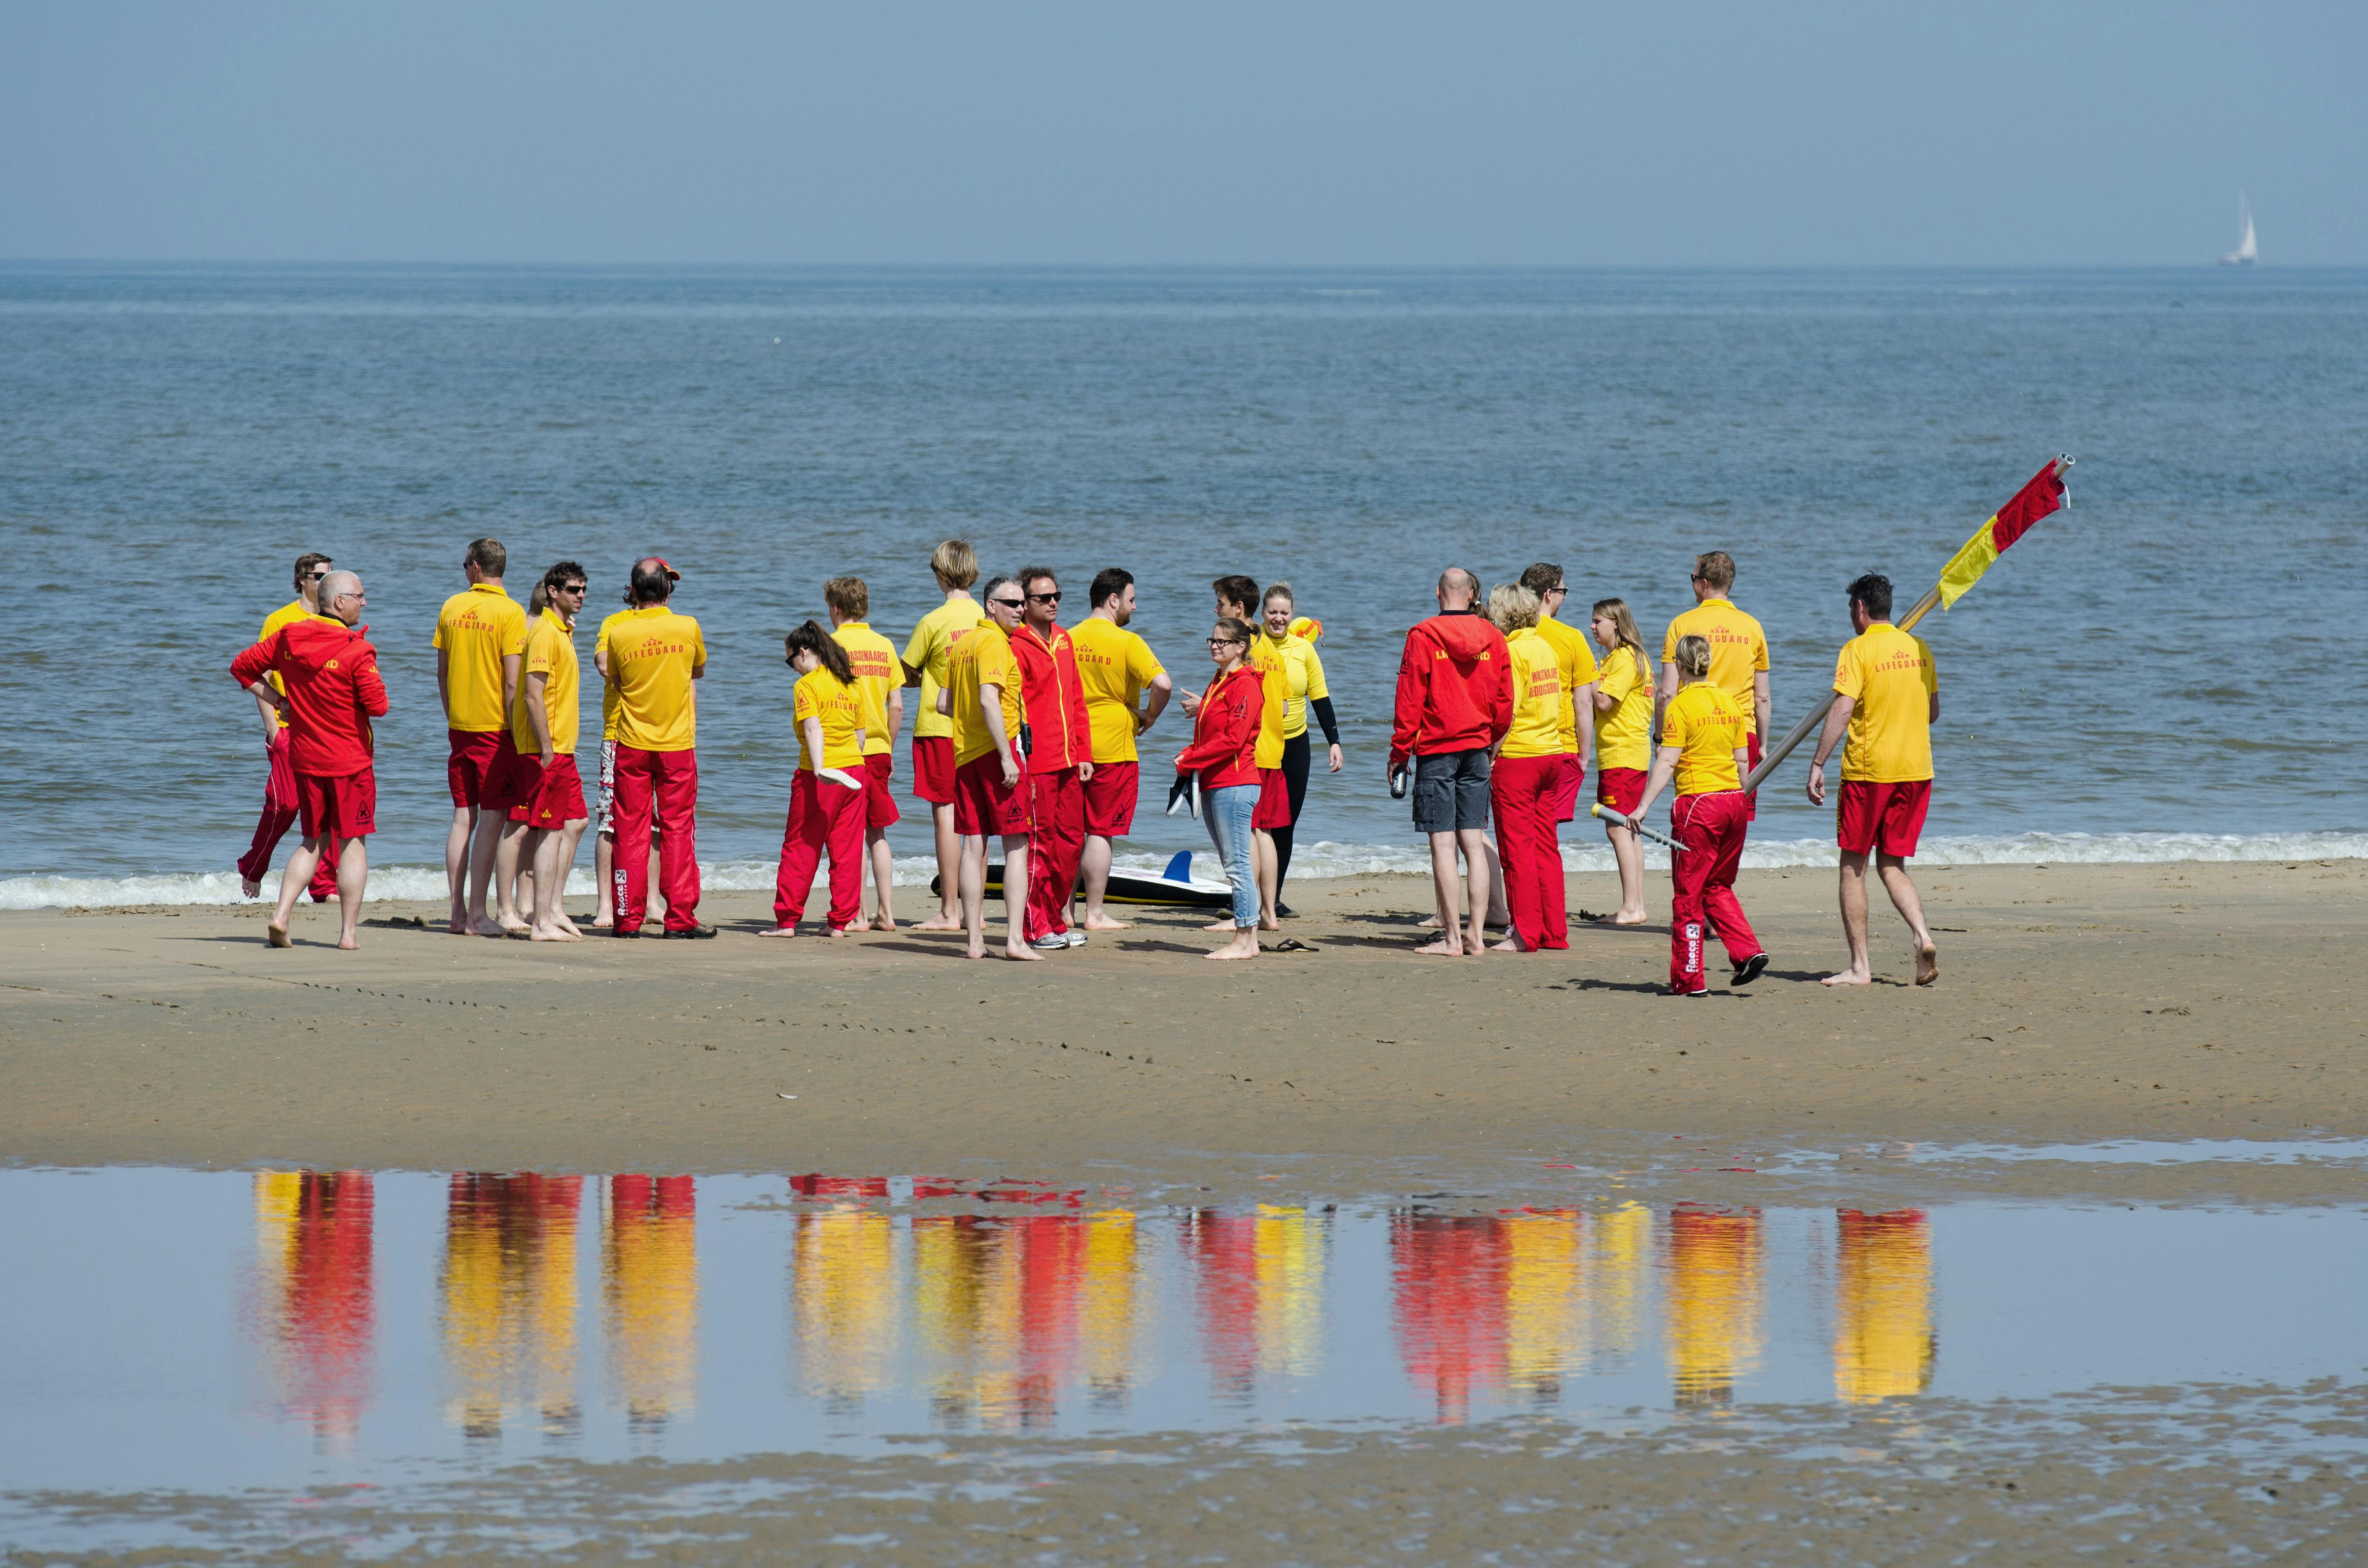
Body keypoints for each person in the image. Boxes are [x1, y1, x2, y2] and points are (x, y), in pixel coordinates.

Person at [230, 570, 387, 950]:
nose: (364, 602)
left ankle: (282, 915)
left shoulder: (289, 635)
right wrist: (282, 700)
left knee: (311, 841)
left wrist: (280, 700)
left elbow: (241, 668)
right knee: (352, 843)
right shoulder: (357, 648)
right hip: (350, 761)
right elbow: (380, 706)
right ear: (339, 602)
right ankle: (348, 934)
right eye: (359, 596)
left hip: (306, 757)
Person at [1807, 572, 1942, 987]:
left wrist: (1818, 762)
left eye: (1851, 609)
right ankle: (1922, 935)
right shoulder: (1919, 647)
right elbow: (1933, 712)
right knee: (1892, 864)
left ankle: (1861, 967)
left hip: (1871, 772)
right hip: (1916, 770)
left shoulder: (1857, 649)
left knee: (1853, 866)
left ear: (1861, 609)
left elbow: (1843, 709)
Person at [1627, 633, 1769, 996]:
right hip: (1735, 801)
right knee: (1717, 885)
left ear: (1679, 664)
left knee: (1688, 894)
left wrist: (1642, 807)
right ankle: (1748, 951)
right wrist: (1738, 797)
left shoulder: (1680, 706)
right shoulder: (1729, 703)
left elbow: (1667, 760)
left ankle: (1690, 978)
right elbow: (1742, 762)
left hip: (1699, 805)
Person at [1389, 567, 1513, 958]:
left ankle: (1453, 939)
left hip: (1438, 751)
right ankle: (1476, 936)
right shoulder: (1494, 636)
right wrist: (1492, 739)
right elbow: (1506, 702)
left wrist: (1398, 754)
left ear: (1439, 593)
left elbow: (1409, 702)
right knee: (1473, 844)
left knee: (1444, 845)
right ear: (1472, 594)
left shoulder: (1423, 635)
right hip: (1476, 748)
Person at [605, 557, 711, 938]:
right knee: (678, 829)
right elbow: (697, 670)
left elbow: (616, 679)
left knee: (629, 831)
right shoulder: (687, 627)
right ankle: (679, 918)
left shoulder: (619, 633)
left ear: (633, 591)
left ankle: (627, 918)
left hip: (632, 743)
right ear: (667, 589)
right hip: (676, 744)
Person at [434, 538, 529, 937]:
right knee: (492, 819)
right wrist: (518, 732)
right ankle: (476, 913)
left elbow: (442, 672)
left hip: (460, 725)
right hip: (496, 729)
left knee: (462, 819)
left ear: (475, 567)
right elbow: (512, 682)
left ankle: (458, 913)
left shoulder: (452, 606)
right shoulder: (511, 612)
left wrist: (453, 714)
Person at [1068, 568, 1172, 930]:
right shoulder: (1128, 641)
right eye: (1131, 599)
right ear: (1113, 600)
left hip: (1071, 743)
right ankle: (1093, 913)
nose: (1135, 607)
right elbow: (1163, 683)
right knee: (1099, 830)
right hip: (1113, 744)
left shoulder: (1065, 637)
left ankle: (1063, 913)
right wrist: (1151, 716)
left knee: (1069, 830)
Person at [237, 552, 341, 905]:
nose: (326, 582)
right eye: (319, 576)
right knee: (285, 804)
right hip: (287, 728)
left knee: (329, 808)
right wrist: (273, 728)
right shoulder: (280, 620)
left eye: (331, 576)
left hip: (326, 732)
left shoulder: (336, 620)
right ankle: (254, 865)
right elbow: (257, 675)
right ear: (302, 579)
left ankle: (323, 887)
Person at [942, 575, 1035, 961]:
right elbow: (987, 699)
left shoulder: (963, 642)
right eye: (1011, 602)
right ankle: (1014, 940)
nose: (1020, 609)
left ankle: (975, 942)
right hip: (997, 751)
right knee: (1017, 844)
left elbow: (944, 704)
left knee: (973, 843)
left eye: (1022, 602)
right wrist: (1005, 755)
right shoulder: (995, 642)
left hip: (964, 753)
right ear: (990, 606)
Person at [1005, 568, 1095, 951]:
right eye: (1044, 598)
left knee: (1071, 843)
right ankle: (1034, 926)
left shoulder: (1064, 639)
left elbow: (1076, 699)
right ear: (1026, 605)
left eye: (1057, 595)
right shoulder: (1016, 643)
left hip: (1070, 760)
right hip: (1037, 761)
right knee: (1040, 846)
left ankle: (1055, 920)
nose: (1054, 602)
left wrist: (1085, 751)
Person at [761, 621, 870, 939]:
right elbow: (861, 736)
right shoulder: (851, 682)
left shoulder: (807, 686)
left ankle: (787, 921)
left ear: (805, 652)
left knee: (802, 846)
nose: (792, 667)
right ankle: (839, 923)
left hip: (819, 775)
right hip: (854, 771)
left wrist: (821, 767)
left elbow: (812, 728)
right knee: (847, 850)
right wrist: (849, 763)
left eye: (791, 659)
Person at [901, 541, 984, 932]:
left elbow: (907, 672)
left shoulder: (933, 621)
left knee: (947, 818)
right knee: (979, 821)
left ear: (939, 574)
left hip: (938, 728)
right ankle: (977, 913)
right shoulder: (990, 617)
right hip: (982, 730)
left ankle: (950, 910)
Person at [1173, 615, 1266, 960]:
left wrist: (1191, 758)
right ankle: (1249, 939)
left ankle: (1244, 939)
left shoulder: (1245, 684)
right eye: (1211, 640)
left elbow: (1233, 739)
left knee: (1237, 864)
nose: (1214, 646)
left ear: (1241, 647)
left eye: (1222, 642)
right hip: (1216, 782)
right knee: (1233, 862)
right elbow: (1213, 732)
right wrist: (1190, 753)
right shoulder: (1220, 679)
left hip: (1237, 783)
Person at [507, 563, 591, 943]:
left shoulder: (563, 631)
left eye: (584, 589)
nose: (581, 595)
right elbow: (531, 694)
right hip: (547, 749)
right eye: (574, 589)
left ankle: (553, 907)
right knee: (550, 829)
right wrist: (545, 749)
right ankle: (540, 920)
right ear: (553, 592)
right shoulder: (543, 632)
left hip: (563, 747)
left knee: (576, 823)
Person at [1485, 584, 1569, 952]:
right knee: (1546, 848)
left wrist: (1489, 755)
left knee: (1516, 850)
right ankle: (1554, 932)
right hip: (1552, 755)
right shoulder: (1545, 647)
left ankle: (1524, 934)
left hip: (1520, 759)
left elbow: (1507, 712)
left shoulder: (1513, 650)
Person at [1659, 551, 1770, 817]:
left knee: (1695, 814)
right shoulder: (1753, 627)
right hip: (1742, 731)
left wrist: (1661, 738)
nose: (1693, 584)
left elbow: (1666, 693)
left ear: (1705, 584)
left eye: (1693, 578)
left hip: (1696, 731)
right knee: (1736, 819)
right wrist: (1763, 745)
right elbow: (1762, 697)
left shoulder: (1682, 624)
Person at [825, 577, 906, 931]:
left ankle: (857, 913)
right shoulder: (885, 645)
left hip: (846, 751)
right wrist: (887, 745)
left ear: (836, 608)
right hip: (879, 749)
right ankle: (886, 912)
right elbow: (898, 706)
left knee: (850, 835)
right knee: (878, 834)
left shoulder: (831, 645)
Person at [1257, 584, 1342, 916]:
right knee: (1255, 823)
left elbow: (1319, 696)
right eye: (1272, 612)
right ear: (1262, 613)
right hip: (1261, 743)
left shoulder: (1304, 649)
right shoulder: (1253, 645)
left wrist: (1334, 741)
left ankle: (1273, 897)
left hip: (1295, 744)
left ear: (1292, 615)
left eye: (1284, 613)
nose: (1278, 618)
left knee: (1285, 823)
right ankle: (1251, 893)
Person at [591, 584, 662, 930]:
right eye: (664, 582)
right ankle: (607, 903)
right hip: (619, 733)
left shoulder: (672, 625)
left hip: (665, 737)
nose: (668, 590)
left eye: (671, 583)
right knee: (610, 821)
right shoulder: (615, 623)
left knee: (657, 823)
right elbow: (604, 664)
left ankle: (650, 901)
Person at [1588, 597, 1656, 925]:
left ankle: (1632, 906)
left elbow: (1602, 701)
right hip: (1627, 752)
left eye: (1597, 621)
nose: (1592, 627)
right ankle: (1636, 904)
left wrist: (1585, 673)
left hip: (1622, 752)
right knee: (1628, 829)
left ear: (1616, 622)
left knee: (1618, 828)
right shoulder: (1624, 656)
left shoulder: (1626, 658)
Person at [1519, 563, 1600, 834]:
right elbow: (1584, 702)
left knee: (1520, 828)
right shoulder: (1572, 638)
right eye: (1564, 591)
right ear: (1548, 594)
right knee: (1547, 830)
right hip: (1560, 746)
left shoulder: (1509, 635)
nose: (1565, 598)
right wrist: (1585, 755)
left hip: (1517, 747)